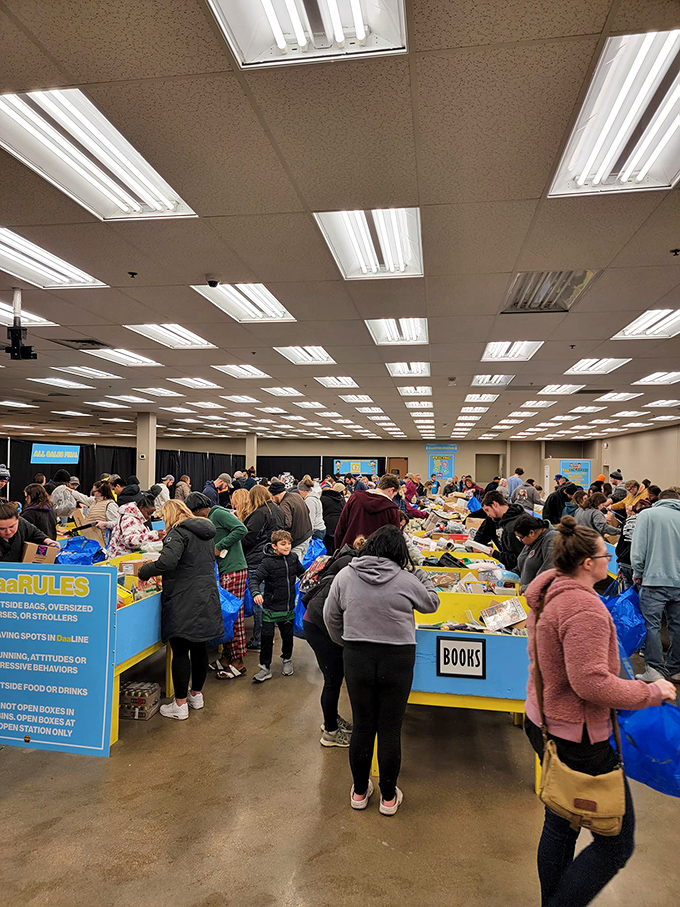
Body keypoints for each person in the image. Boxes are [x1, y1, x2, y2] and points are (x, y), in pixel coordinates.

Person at [524, 517, 676, 907]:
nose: (610, 559)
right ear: (587, 563)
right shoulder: (584, 609)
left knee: (560, 821)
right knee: (615, 842)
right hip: (578, 734)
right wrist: (651, 691)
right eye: (604, 555)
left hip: (545, 717)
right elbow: (590, 683)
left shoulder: (549, 591)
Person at [324, 525, 439, 815]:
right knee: (390, 728)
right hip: (397, 657)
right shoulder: (405, 579)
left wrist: (346, 642)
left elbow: (330, 616)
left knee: (362, 726)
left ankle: (360, 792)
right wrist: (419, 573)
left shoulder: (346, 575)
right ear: (399, 553)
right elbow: (431, 604)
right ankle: (389, 797)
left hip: (357, 655)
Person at [137, 500, 224, 720]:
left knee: (180, 650)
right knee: (199, 648)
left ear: (170, 515)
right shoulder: (205, 533)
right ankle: (197, 696)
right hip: (206, 594)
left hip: (184, 597)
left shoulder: (177, 533)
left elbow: (167, 562)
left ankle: (180, 705)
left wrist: (144, 572)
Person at [302, 538, 365, 748]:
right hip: (319, 625)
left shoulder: (353, 564)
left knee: (334, 678)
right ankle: (330, 732)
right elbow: (333, 614)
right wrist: (340, 641)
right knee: (332, 678)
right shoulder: (353, 571)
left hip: (318, 620)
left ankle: (331, 718)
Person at [631, 489, 680, 682]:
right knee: (677, 626)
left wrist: (638, 572)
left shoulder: (647, 515)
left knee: (651, 626)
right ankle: (675, 669)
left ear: (659, 500)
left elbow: (638, 549)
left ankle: (654, 670)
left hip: (653, 580)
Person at [247, 529, 305, 683]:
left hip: (288, 609)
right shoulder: (267, 562)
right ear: (274, 546)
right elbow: (254, 580)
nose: (287, 547)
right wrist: (255, 593)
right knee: (266, 638)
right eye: (283, 544)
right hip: (270, 610)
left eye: (289, 543)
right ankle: (265, 668)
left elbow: (303, 574)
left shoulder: (293, 558)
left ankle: (287, 659)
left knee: (287, 637)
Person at [240, 485, 286, 650]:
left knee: (259, 601)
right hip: (275, 558)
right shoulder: (277, 510)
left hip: (258, 560)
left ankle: (260, 639)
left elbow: (248, 537)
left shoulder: (260, 513)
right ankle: (267, 634)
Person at [208, 495, 248, 679]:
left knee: (234, 615)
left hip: (233, 570)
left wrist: (219, 546)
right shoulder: (213, 517)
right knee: (226, 615)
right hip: (225, 570)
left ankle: (238, 661)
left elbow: (241, 529)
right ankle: (227, 657)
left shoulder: (217, 514)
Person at [334, 474, 401, 551]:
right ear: (391, 490)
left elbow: (341, 527)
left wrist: (338, 550)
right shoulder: (392, 510)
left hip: (348, 552)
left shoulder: (355, 498)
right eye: (394, 495)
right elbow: (394, 540)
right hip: (376, 557)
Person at [477, 491, 526, 571]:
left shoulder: (512, 527)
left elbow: (516, 559)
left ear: (495, 504)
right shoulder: (502, 520)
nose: (488, 514)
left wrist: (494, 553)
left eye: (487, 510)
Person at [108, 493, 163, 558]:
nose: (148, 516)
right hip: (121, 558)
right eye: (148, 513)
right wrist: (153, 535)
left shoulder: (135, 518)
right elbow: (130, 540)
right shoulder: (129, 519)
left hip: (126, 557)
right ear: (141, 507)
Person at [269, 479, 312, 562]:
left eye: (273, 498)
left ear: (276, 495)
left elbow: (287, 523)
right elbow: (308, 511)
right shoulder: (296, 496)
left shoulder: (284, 503)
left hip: (297, 540)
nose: (273, 501)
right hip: (307, 535)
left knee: (294, 566)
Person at [615, 497, 650, 590]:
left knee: (628, 594)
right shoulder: (647, 522)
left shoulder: (627, 520)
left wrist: (620, 563)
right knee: (640, 597)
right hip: (636, 564)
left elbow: (621, 542)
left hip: (624, 561)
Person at [515, 515, 556, 592]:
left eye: (521, 538)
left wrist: (526, 588)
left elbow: (549, 572)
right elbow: (521, 564)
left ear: (531, 533)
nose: (521, 541)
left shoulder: (551, 540)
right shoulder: (532, 541)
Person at [320, 482, 346, 555]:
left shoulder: (323, 499)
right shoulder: (341, 499)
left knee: (327, 549)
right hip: (339, 526)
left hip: (326, 526)